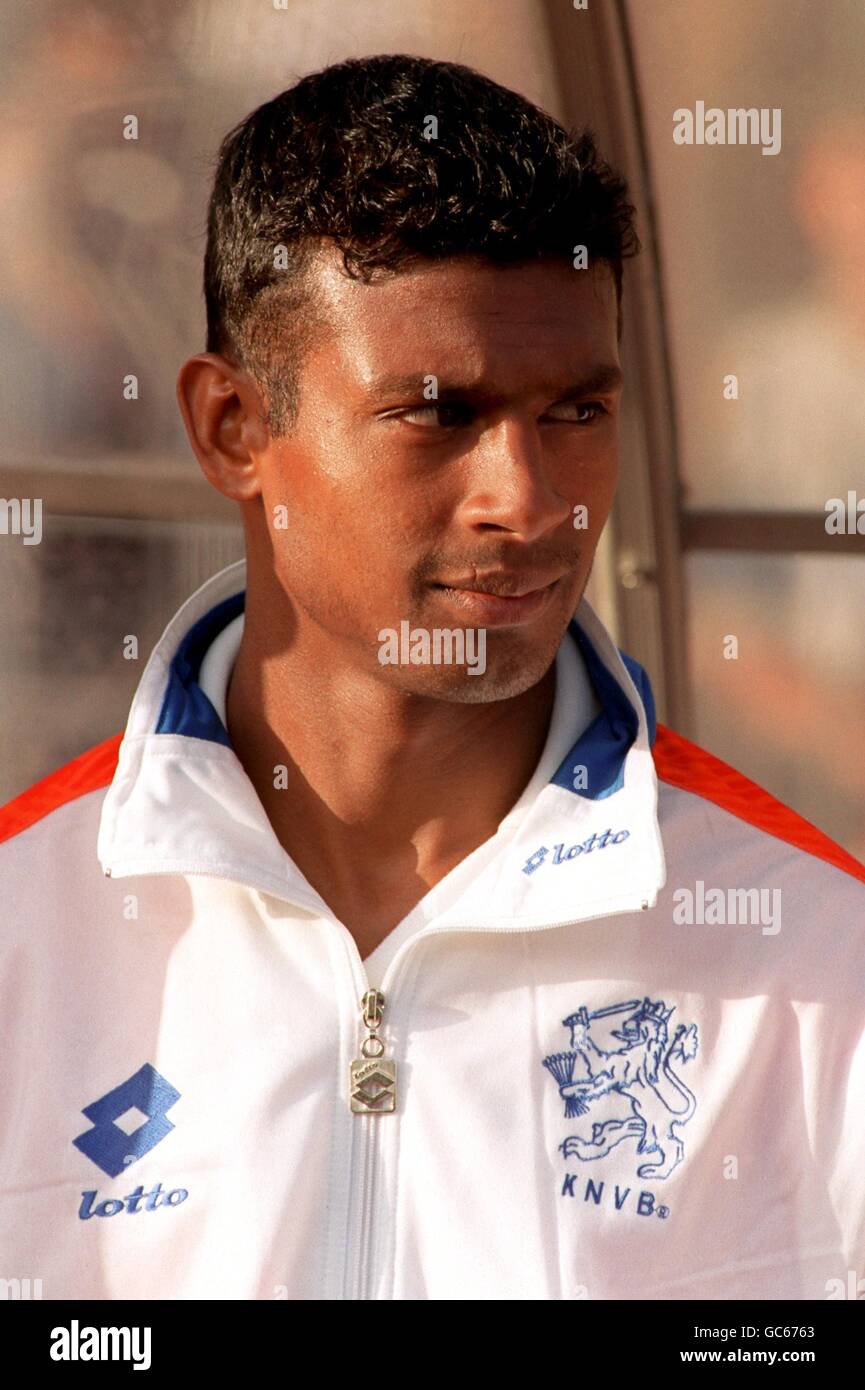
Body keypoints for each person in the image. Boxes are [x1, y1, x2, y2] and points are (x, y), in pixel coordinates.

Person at [1, 54, 863, 1302]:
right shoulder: (28, 934)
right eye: (437, 413)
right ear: (233, 429)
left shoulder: (815, 954)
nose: (528, 496)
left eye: (575, 409)